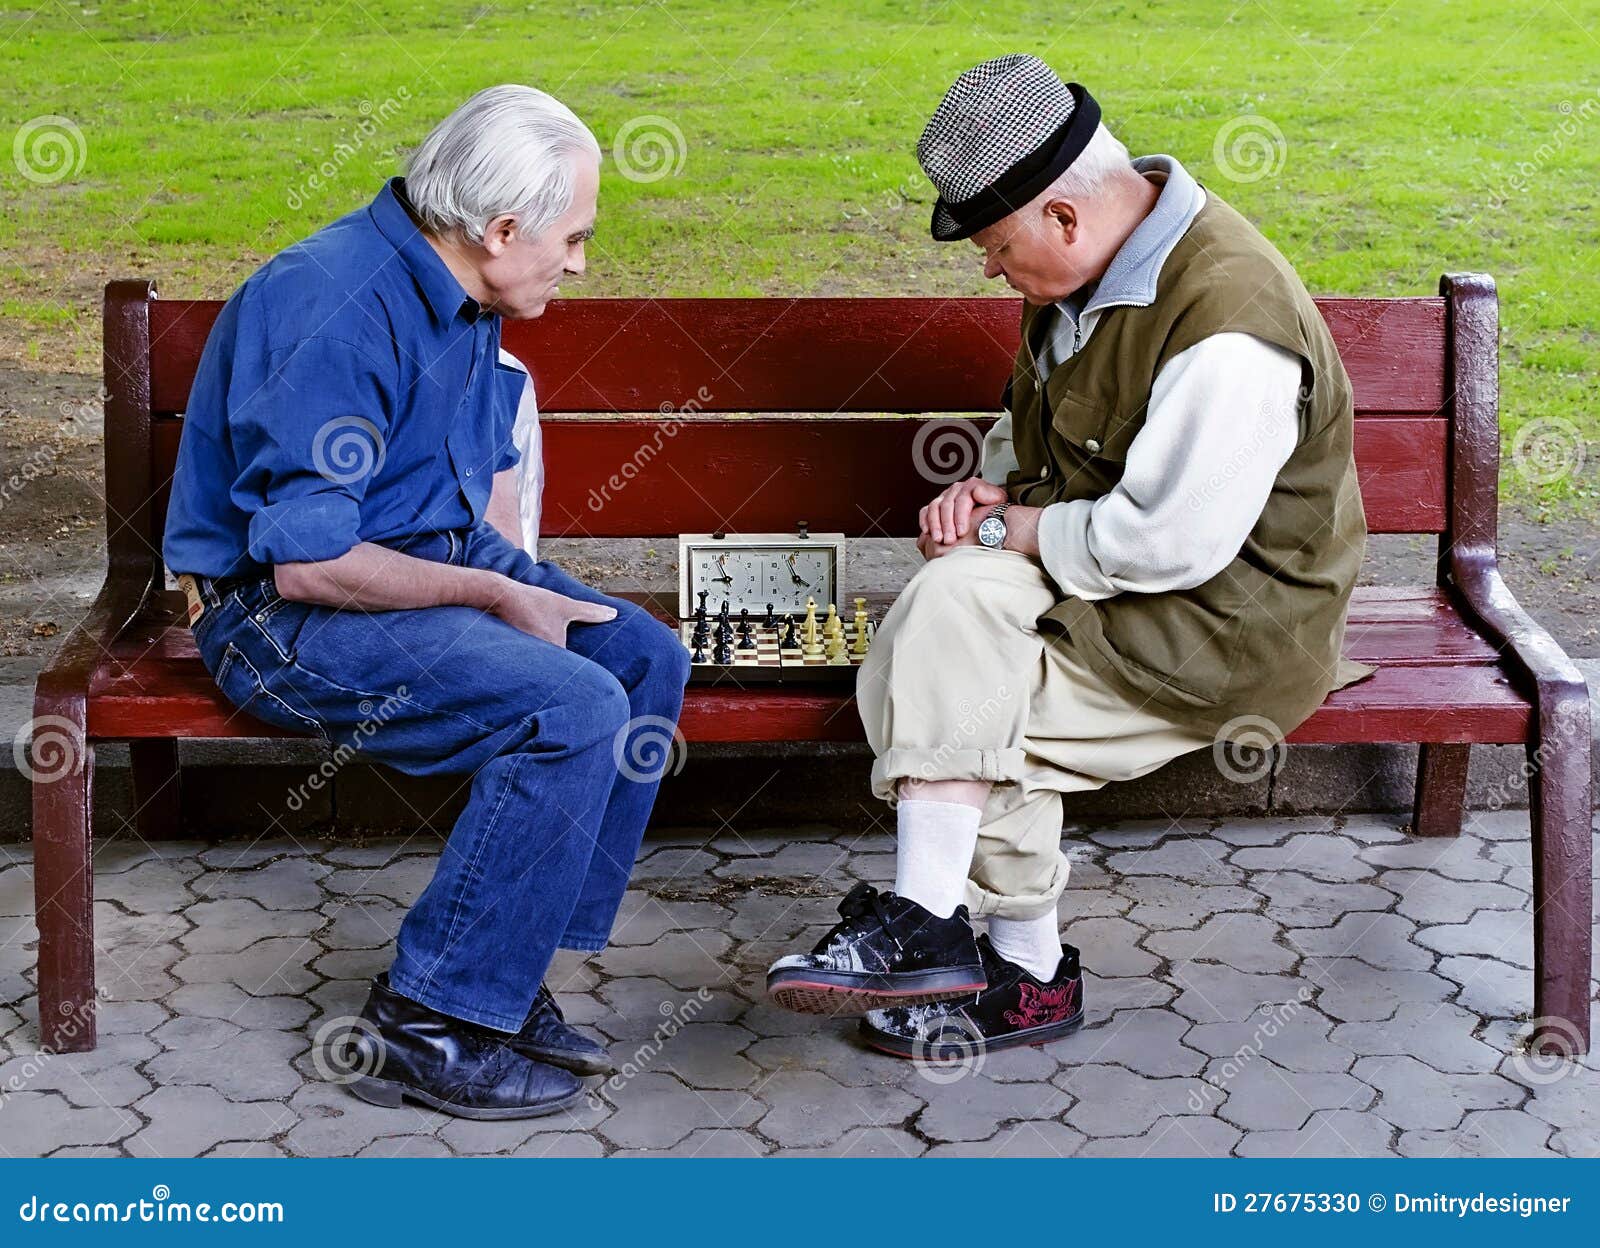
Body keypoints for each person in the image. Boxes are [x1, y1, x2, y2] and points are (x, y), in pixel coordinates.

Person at [766, 55, 1373, 1059]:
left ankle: (1014, 959)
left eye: (997, 247)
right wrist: (991, 490)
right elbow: (1037, 432)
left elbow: (1163, 543)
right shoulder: (1085, 268)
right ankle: (966, 943)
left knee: (957, 709)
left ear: (1061, 216)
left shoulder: (1226, 325)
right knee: (946, 629)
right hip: (1109, 586)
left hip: (1221, 630)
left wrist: (1012, 528)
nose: (989, 269)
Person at [163, 85, 690, 1118]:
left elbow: (474, 505)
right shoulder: (333, 304)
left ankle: (504, 965)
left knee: (639, 658)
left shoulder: (466, 296)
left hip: (418, 569)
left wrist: (514, 588)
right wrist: (498, 599)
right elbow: (307, 565)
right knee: (571, 707)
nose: (578, 262)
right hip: (278, 620)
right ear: (500, 229)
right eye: (572, 237)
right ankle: (431, 1023)